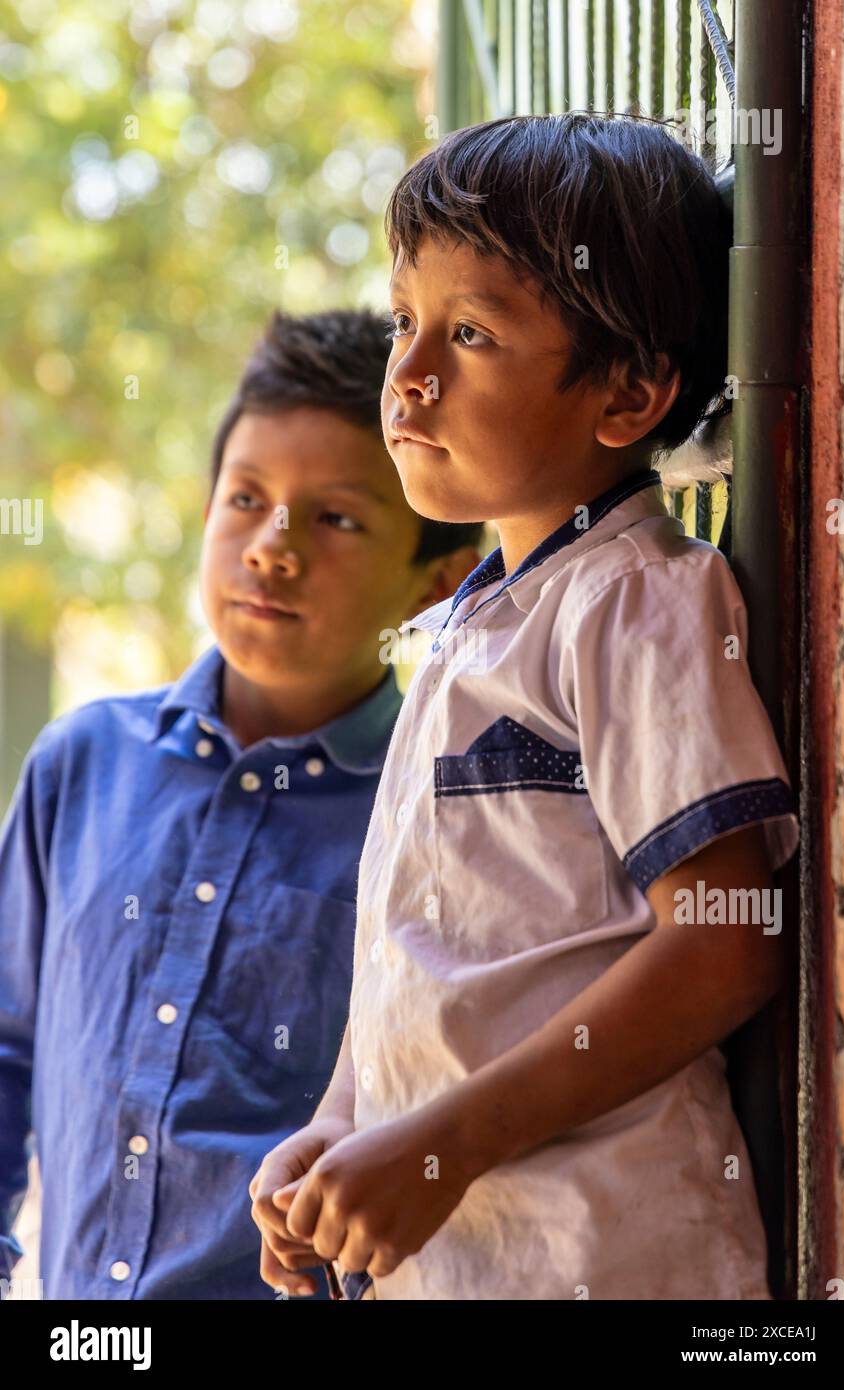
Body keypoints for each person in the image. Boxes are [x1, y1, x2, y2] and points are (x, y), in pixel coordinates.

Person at [251, 114, 800, 1301]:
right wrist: (344, 1120)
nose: (407, 374)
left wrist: (439, 1143)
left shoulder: (634, 600)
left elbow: (723, 941)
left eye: (469, 333)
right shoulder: (463, 627)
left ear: (628, 394)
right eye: (405, 322)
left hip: (602, 1260)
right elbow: (428, 951)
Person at [0, 307, 482, 1300]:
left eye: (337, 518)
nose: (272, 546)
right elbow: (8, 1047)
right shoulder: (80, 766)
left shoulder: (433, 816)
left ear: (436, 583)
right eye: (245, 498)